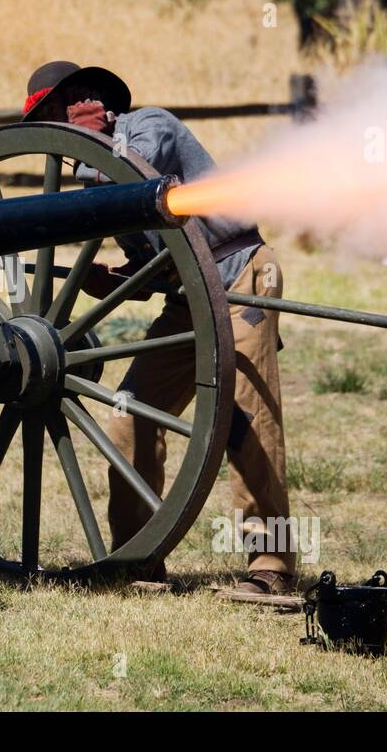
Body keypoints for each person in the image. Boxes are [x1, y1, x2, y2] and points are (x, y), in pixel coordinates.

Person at [22, 61, 295, 600]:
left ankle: (272, 563)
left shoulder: (151, 128)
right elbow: (156, 262)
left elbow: (138, 181)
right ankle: (138, 556)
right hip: (187, 299)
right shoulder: (92, 172)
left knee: (246, 419)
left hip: (238, 275)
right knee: (128, 417)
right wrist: (119, 279)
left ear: (84, 101)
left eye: (58, 117)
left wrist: (90, 158)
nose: (59, 139)